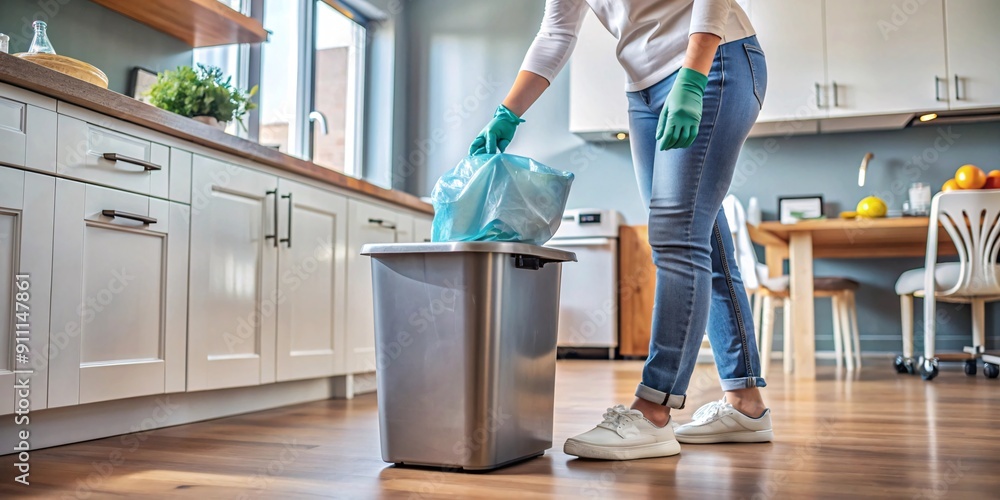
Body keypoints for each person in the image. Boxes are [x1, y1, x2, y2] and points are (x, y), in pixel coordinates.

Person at [469, 0, 772, 460]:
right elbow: (555, 33)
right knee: (699, 233)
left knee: (675, 234)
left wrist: (693, 73)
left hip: (714, 59)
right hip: (644, 89)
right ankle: (746, 403)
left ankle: (654, 409)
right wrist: (508, 111)